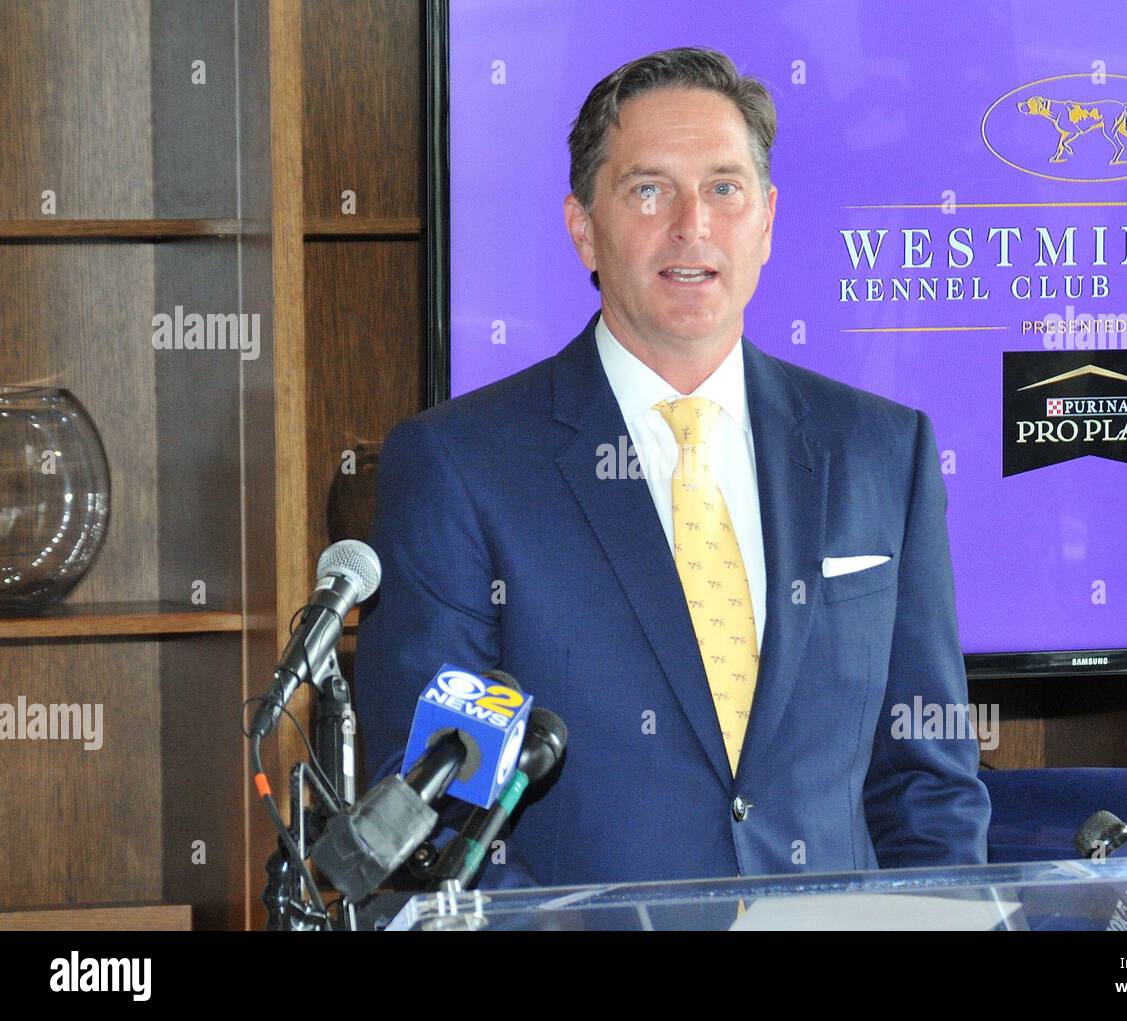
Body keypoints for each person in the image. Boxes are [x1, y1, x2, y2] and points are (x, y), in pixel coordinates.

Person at [354, 47, 990, 889]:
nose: (692, 224)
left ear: (766, 219)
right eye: (649, 190)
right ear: (583, 226)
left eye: (724, 188)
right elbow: (426, 814)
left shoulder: (882, 451)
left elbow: (930, 785)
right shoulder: (459, 467)